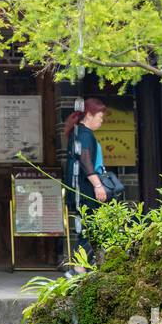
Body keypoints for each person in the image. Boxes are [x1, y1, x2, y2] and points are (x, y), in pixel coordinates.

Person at [62, 98, 111, 271]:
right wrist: (98, 185)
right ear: (89, 114)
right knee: (90, 228)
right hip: (85, 190)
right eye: (100, 117)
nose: (101, 121)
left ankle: (81, 267)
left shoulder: (78, 132)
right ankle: (78, 268)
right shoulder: (84, 134)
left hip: (80, 190)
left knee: (89, 228)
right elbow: (85, 160)